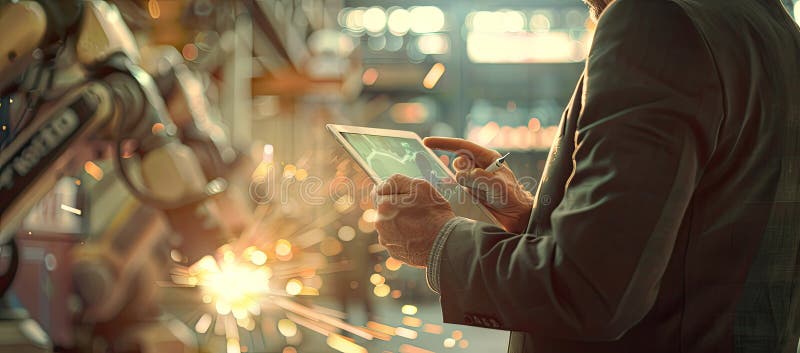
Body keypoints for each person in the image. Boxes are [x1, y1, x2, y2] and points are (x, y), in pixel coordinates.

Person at [372, 0, 800, 352]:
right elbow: (690, 242)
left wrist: (439, 241)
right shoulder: (771, 25)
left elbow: (591, 293)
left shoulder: (653, 20)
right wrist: (533, 218)